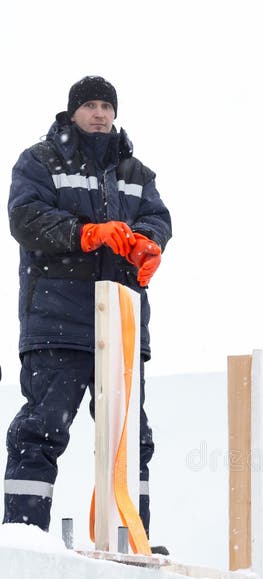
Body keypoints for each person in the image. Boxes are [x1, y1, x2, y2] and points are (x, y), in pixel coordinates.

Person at [3, 75, 172, 540]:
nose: (100, 113)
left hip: (120, 325)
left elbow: (158, 218)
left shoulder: (136, 173)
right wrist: (85, 233)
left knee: (129, 441)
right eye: (91, 105)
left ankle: (130, 535)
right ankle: (24, 537)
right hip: (58, 326)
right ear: (73, 111)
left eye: (106, 106)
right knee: (41, 431)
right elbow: (26, 217)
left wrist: (149, 244)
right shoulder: (41, 161)